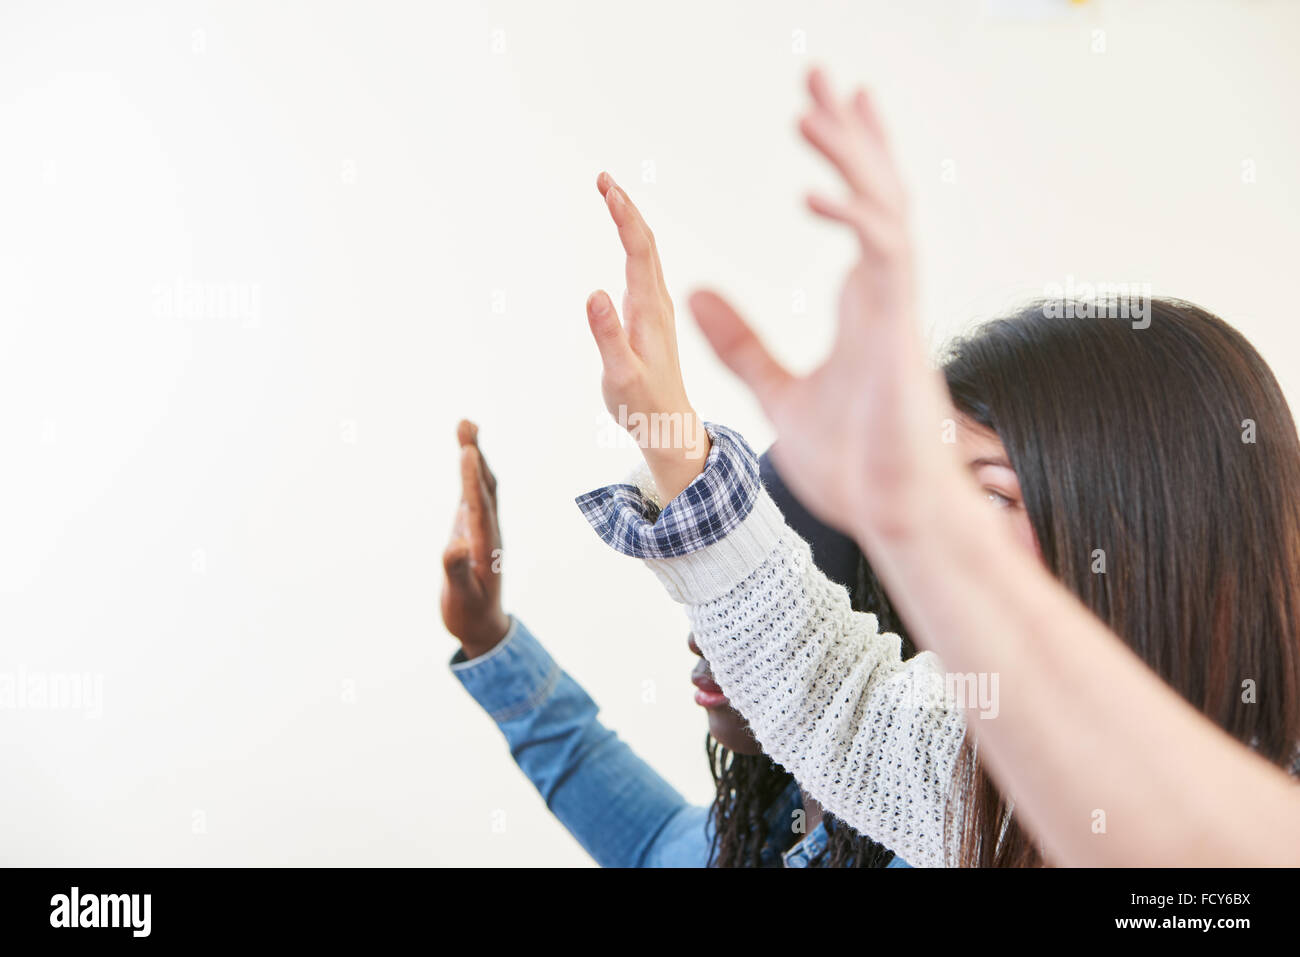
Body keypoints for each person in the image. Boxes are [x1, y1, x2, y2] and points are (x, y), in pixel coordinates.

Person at [575, 68, 1300, 866]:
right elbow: (834, 699)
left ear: (1155, 538)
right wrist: (672, 439)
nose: (925, 550)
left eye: (988, 496)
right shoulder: (980, 773)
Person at [441, 419, 913, 867]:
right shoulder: (769, 825)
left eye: (755, 606)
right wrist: (486, 636)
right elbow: (649, 839)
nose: (702, 641)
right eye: (710, 604)